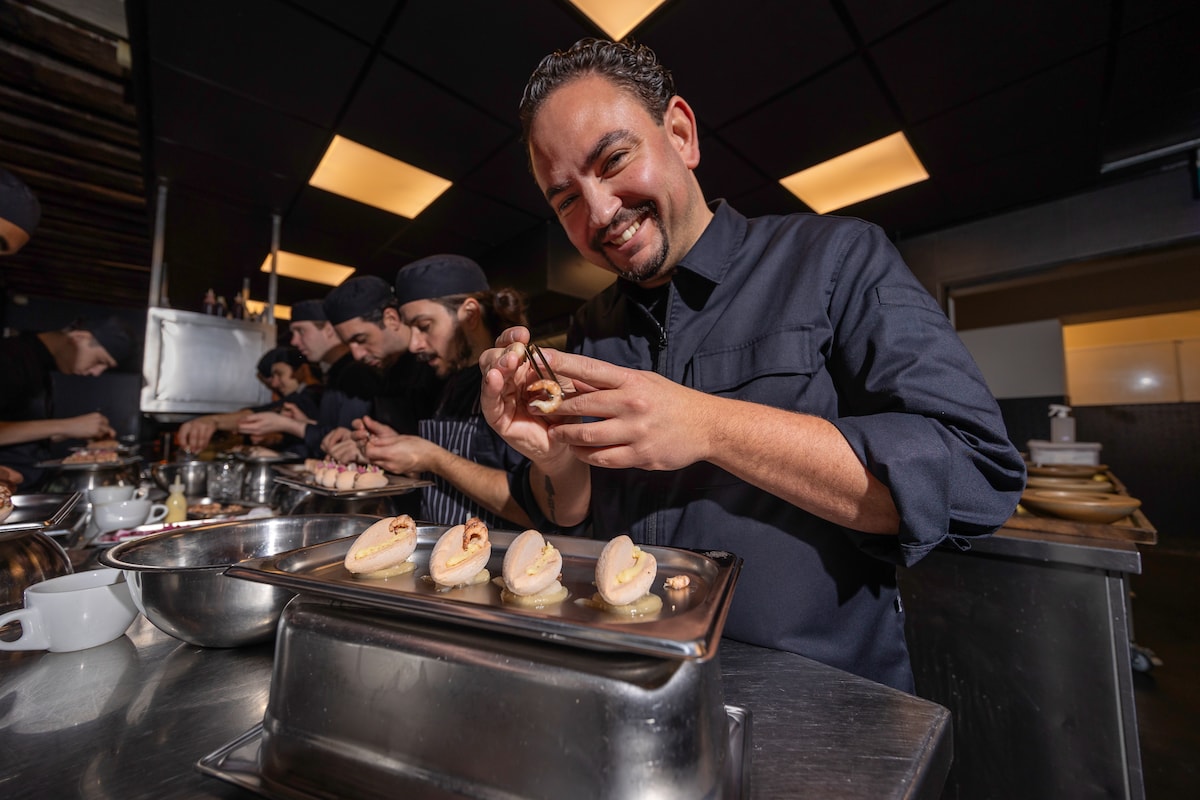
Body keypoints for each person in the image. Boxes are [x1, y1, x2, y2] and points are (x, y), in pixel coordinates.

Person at [479, 38, 1026, 692]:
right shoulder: (591, 326)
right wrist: (554, 460)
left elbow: (973, 474)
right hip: (636, 688)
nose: (599, 212)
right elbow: (574, 515)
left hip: (820, 704)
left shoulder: (835, 259)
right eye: (566, 199)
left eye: (615, 159)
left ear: (680, 134)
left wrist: (709, 426)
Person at [351, 255, 531, 529]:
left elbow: (533, 508)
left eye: (424, 326)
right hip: (441, 549)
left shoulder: (512, 380)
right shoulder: (449, 381)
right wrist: (402, 448)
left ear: (470, 314)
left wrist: (433, 458)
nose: (414, 345)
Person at [0, 317, 136, 490]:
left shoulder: (39, 364)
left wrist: (71, 431)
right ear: (80, 337)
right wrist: (67, 426)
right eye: (100, 361)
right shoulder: (9, 357)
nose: (96, 372)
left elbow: (20, 430)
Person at [321, 275, 440, 462]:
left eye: (361, 339)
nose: (357, 355)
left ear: (391, 318)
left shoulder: (438, 365)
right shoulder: (387, 367)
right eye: (349, 345)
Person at [175, 346, 321, 455]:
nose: (275, 383)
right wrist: (273, 438)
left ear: (302, 370)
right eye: (272, 378)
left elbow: (265, 412)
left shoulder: (312, 395)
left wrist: (214, 421)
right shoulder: (306, 396)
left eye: (279, 374)